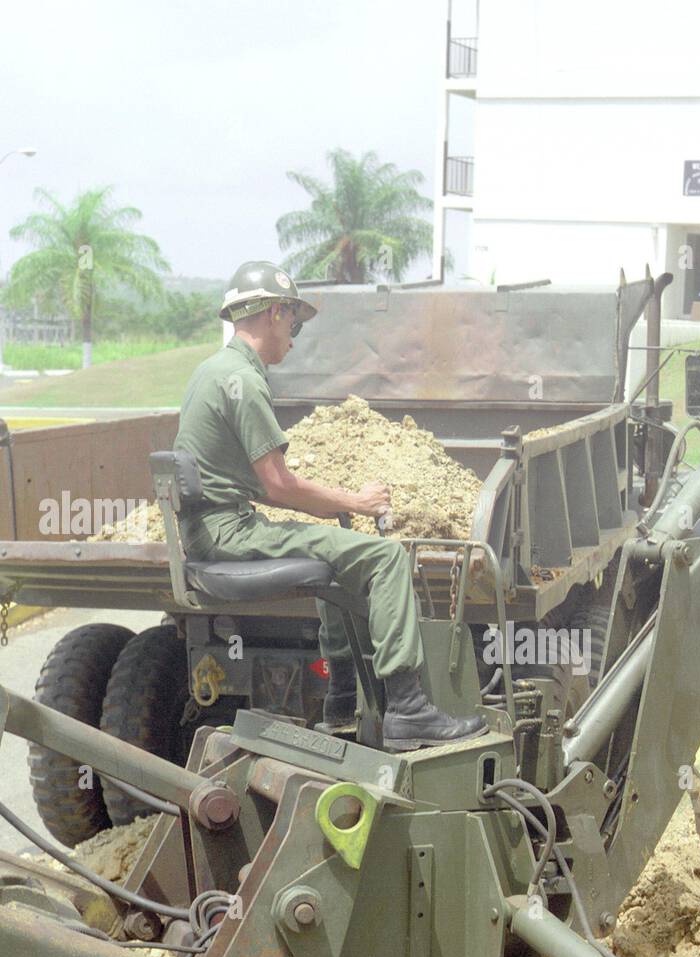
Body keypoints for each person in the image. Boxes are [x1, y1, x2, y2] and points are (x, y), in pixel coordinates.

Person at [173, 260, 486, 749]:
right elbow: (277, 485)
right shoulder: (245, 382)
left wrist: (331, 506)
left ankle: (342, 697)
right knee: (383, 557)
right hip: (228, 534)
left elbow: (257, 482)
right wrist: (355, 501)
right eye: (293, 324)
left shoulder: (210, 372)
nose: (294, 338)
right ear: (275, 314)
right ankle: (408, 708)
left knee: (333, 557)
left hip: (209, 531)